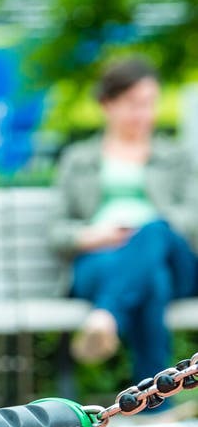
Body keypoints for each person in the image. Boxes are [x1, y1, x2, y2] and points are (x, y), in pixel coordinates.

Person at [49, 56, 198, 396]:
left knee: (154, 232)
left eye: (149, 104)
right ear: (107, 104)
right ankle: (156, 411)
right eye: (133, 104)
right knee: (151, 282)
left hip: (173, 259)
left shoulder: (176, 156)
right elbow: (56, 231)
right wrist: (93, 235)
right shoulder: (78, 159)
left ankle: (106, 316)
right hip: (100, 262)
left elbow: (192, 218)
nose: (143, 114)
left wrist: (143, 231)